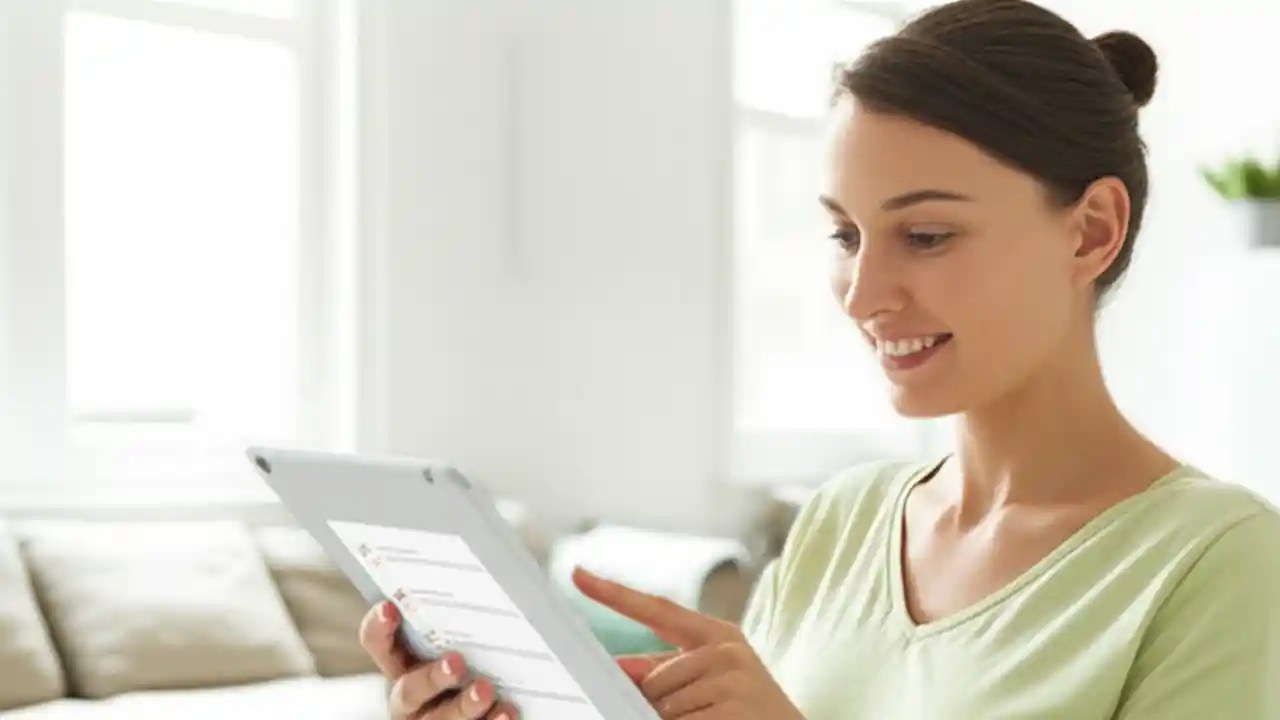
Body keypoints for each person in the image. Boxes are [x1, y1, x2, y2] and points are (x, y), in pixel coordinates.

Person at [359, 0, 1280, 717]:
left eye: (925, 234)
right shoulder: (843, 521)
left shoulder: (1217, 563)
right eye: (845, 235)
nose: (863, 291)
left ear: (1090, 230)